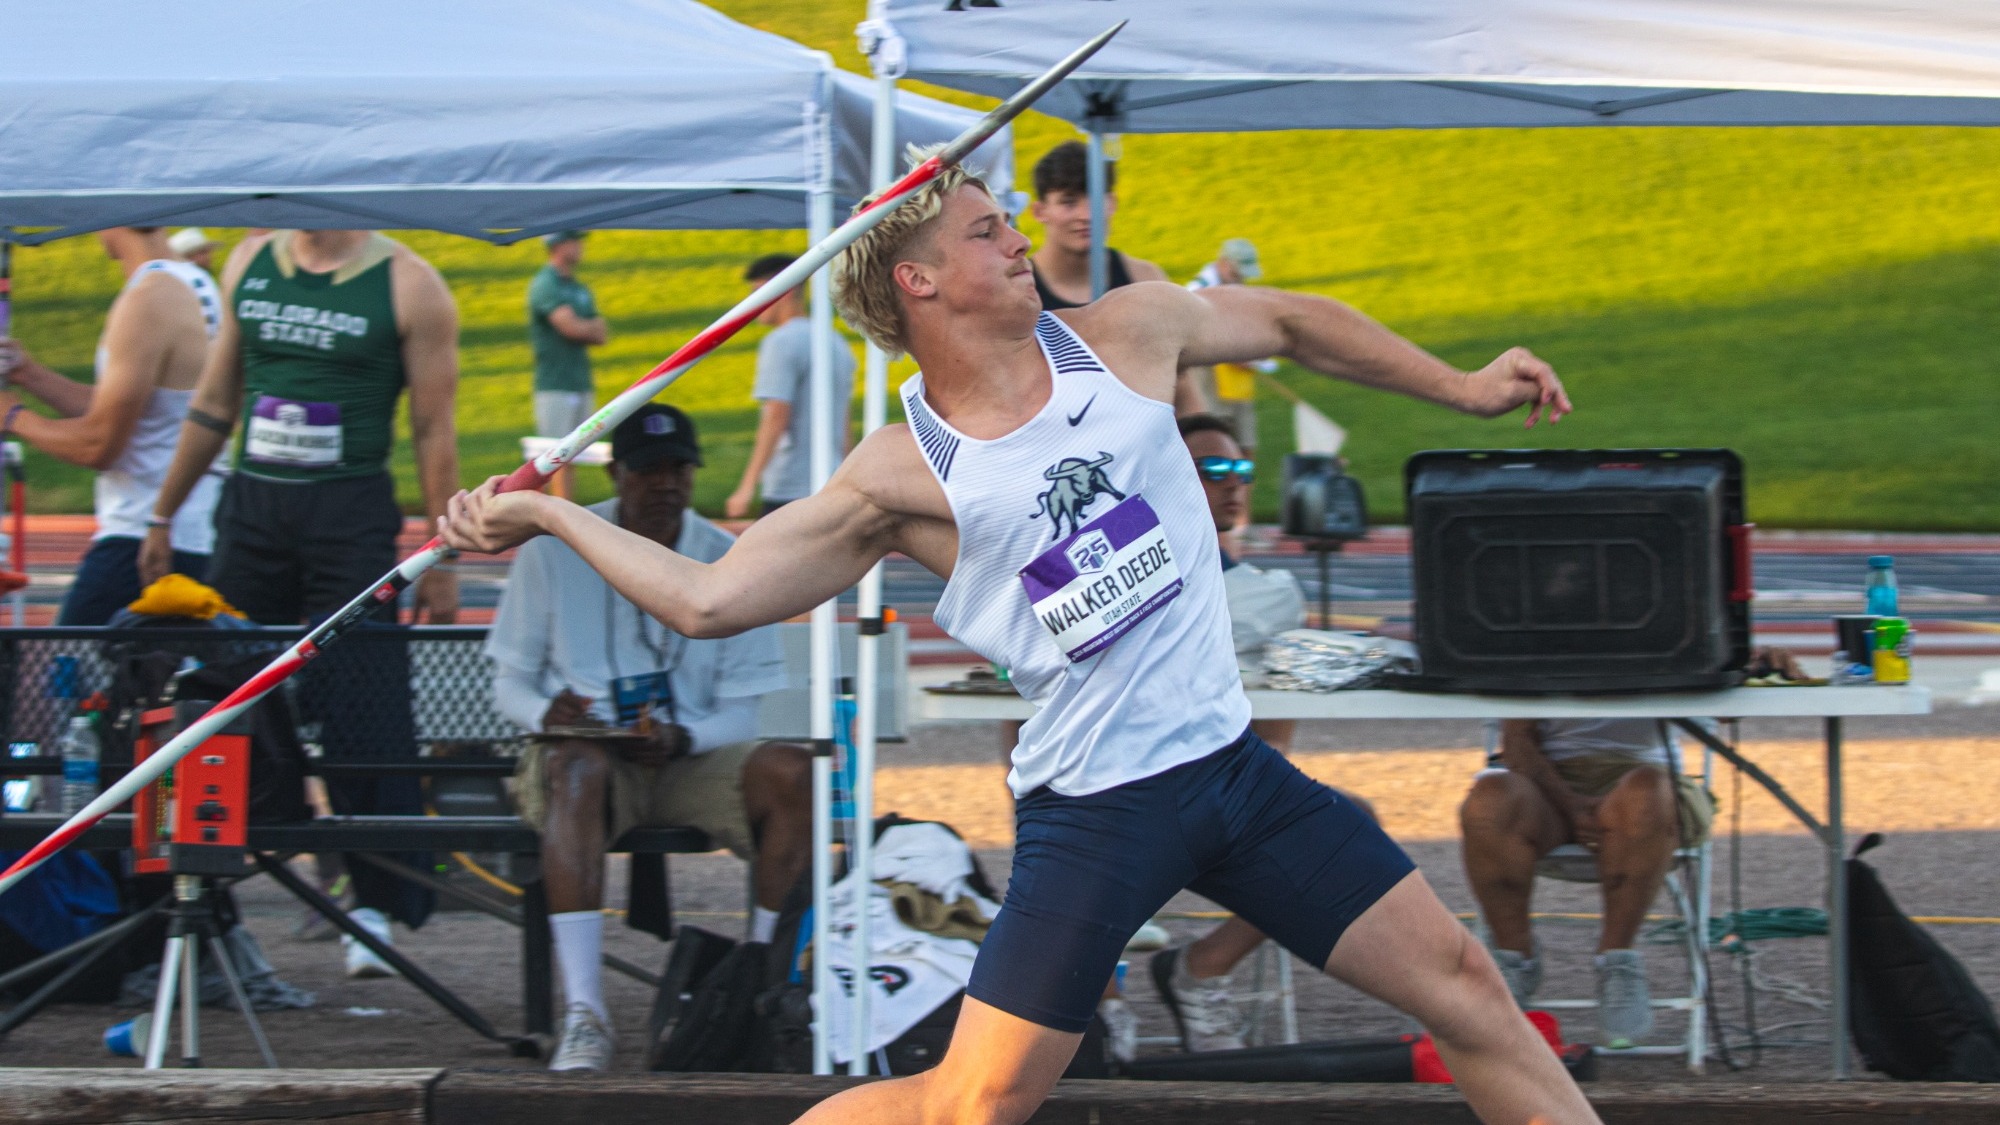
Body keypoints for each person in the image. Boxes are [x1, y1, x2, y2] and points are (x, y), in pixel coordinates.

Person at [439, 154, 1594, 1125]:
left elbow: (1290, 321)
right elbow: (708, 599)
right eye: (991, 233)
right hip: (1099, 811)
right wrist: (546, 512)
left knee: (1463, 989)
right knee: (973, 1105)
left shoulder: (1128, 335)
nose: (1021, 246)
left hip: (1236, 775)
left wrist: (1464, 387)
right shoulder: (897, 474)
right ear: (920, 279)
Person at [141, 227, 462, 977]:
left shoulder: (411, 285)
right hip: (254, 512)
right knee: (214, 693)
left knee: (362, 704)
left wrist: (443, 553)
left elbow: (432, 424)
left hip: (347, 515)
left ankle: (374, 901)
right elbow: (217, 401)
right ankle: (199, 898)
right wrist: (163, 512)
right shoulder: (252, 260)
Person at [486, 403, 812, 1072]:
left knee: (795, 772)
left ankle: (759, 987)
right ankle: (585, 1013)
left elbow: (745, 713)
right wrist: (549, 712)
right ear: (618, 471)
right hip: (593, 761)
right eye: (649, 469)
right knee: (574, 766)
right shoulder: (555, 550)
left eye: (679, 469)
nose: (666, 483)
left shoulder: (730, 556)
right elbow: (508, 684)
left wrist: (683, 735)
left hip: (693, 757)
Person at [1145, 413, 1368, 1052]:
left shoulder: (1270, 594)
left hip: (1222, 790)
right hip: (1128, 792)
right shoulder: (1117, 578)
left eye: (1240, 469)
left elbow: (1275, 736)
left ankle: (1201, 970)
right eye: (1214, 471)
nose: (1233, 484)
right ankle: (1101, 1006)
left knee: (1351, 824)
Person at [1459, 646, 1805, 1048]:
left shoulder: (1676, 628)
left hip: (1648, 777)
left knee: (1647, 795)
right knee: (1489, 800)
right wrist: (1571, 806)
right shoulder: (1539, 627)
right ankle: (1514, 960)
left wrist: (1749, 662)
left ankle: (1617, 960)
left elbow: (1727, 709)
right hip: (1548, 780)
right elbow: (1517, 742)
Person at [0, 226, 224, 624]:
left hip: (142, 539)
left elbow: (100, 444)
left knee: (71, 677)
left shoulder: (148, 298)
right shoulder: (193, 282)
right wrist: (29, 374)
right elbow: (129, 409)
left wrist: (14, 417)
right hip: (192, 527)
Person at [724, 254, 856, 519]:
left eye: (758, 293)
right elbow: (844, 422)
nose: (752, 303)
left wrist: (747, 486)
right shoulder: (836, 342)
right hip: (829, 480)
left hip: (788, 486)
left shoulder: (781, 342)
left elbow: (776, 415)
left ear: (785, 291)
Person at [1025, 141, 1168, 311]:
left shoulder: (1146, 281)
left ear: (1112, 203)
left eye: (1096, 200)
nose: (1086, 216)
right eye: (1069, 202)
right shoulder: (1017, 290)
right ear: (1039, 211)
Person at [528, 231, 608, 497]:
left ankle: (566, 512)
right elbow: (570, 327)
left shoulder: (578, 288)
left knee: (573, 456)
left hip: (579, 381)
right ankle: (546, 522)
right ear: (558, 245)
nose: (580, 246)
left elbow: (601, 333)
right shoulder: (545, 284)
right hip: (555, 385)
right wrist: (584, 327)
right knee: (554, 458)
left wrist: (583, 327)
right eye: (574, 241)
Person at [1184, 240, 1275, 451]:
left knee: (1246, 446)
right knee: (1217, 444)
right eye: (1237, 274)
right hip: (1209, 382)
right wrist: (1230, 353)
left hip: (1238, 383)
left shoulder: (1237, 288)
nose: (1241, 280)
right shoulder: (1196, 291)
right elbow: (1189, 337)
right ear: (1224, 264)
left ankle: (1243, 484)